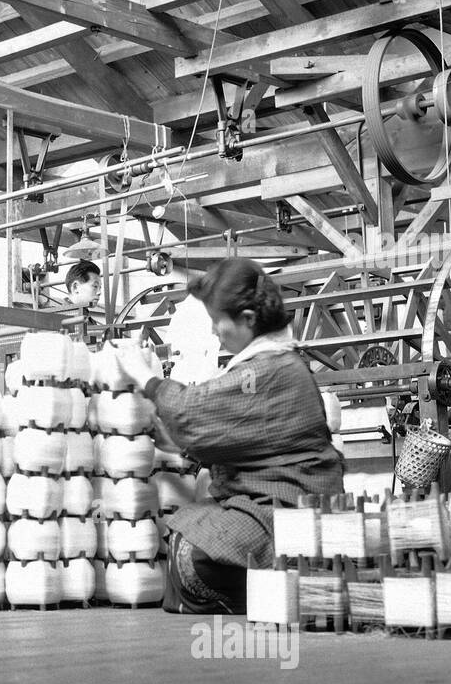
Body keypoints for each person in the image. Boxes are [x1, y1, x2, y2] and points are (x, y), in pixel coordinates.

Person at [115, 258, 344, 614]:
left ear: (248, 320)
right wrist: (179, 446)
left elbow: (193, 408)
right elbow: (251, 441)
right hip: (270, 501)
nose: (214, 333)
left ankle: (285, 591)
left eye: (216, 322)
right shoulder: (276, 364)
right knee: (185, 538)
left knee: (193, 556)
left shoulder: (270, 369)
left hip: (289, 510)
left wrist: (147, 378)